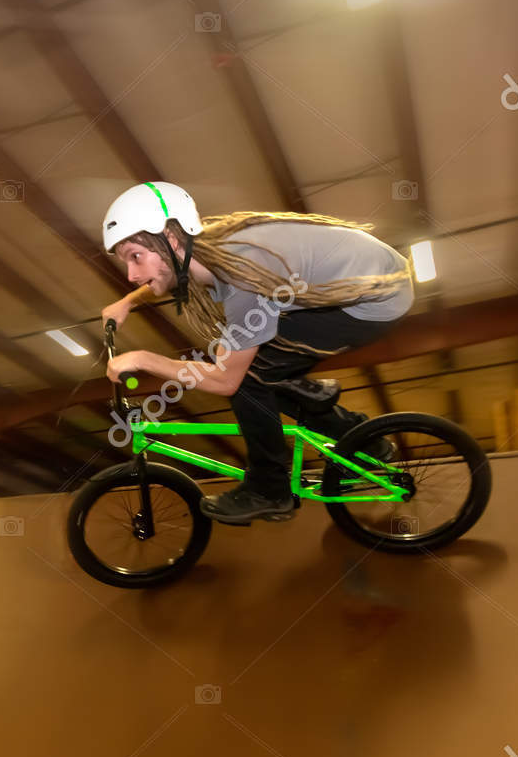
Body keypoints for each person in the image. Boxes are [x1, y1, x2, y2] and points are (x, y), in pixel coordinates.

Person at [100, 181, 414, 524]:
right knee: (246, 360)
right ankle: (362, 440)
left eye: (135, 257)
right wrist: (128, 302)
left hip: (375, 300)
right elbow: (164, 274)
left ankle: (269, 489)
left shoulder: (242, 273)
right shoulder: (208, 248)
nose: (131, 274)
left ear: (171, 239)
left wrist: (145, 360)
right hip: (354, 283)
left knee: (246, 378)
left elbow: (225, 382)